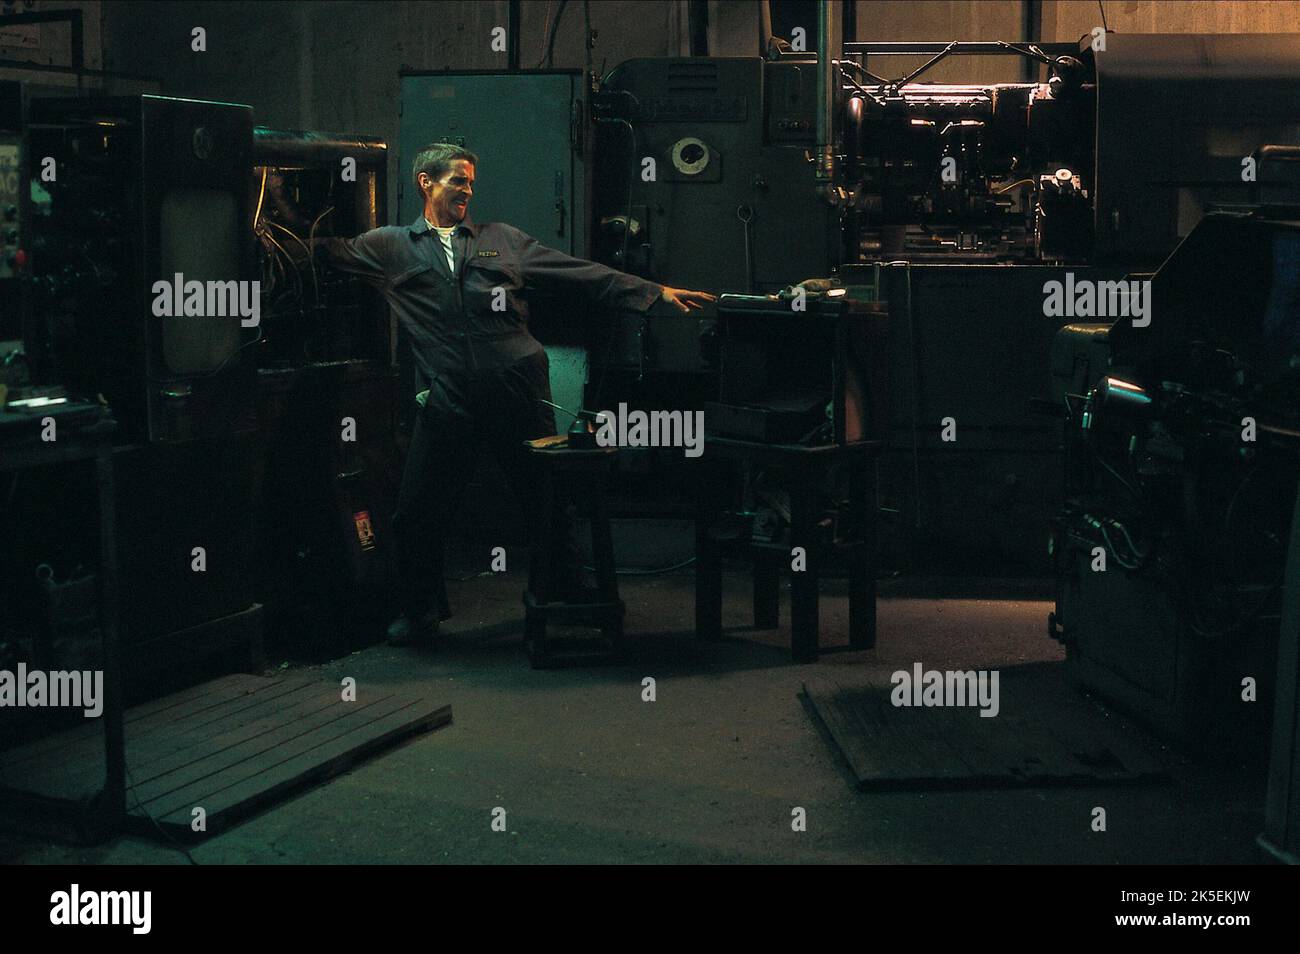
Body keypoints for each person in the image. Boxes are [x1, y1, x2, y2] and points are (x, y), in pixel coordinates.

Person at [322, 142, 715, 643]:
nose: (467, 190)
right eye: (457, 180)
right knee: (417, 510)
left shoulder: (501, 240)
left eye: (470, 182)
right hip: (451, 398)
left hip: (518, 389)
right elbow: (328, 252)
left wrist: (652, 291)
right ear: (426, 182)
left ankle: (568, 594)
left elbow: (575, 271)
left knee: (546, 502)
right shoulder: (390, 245)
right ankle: (420, 611)